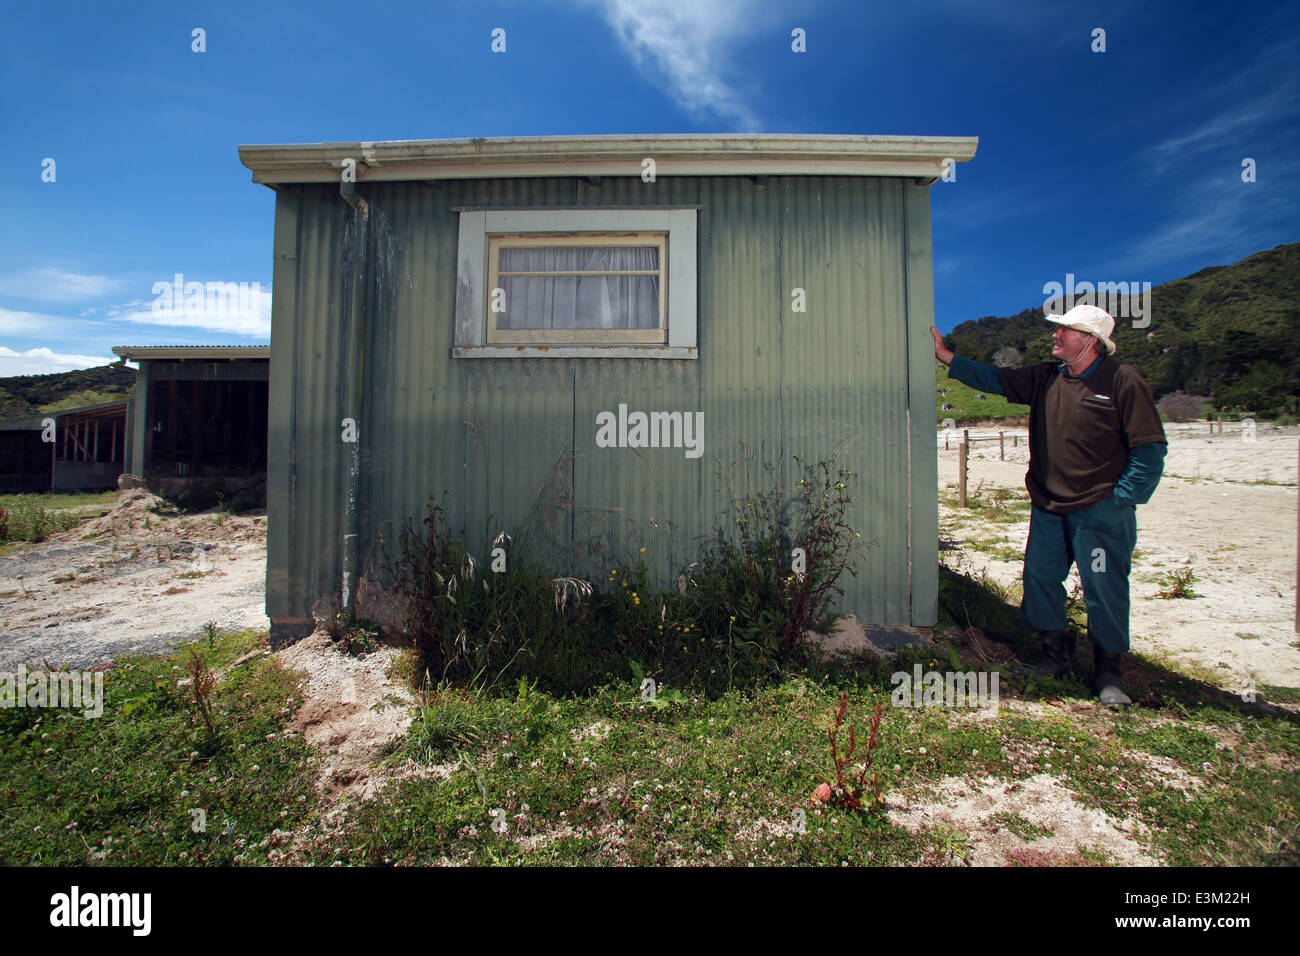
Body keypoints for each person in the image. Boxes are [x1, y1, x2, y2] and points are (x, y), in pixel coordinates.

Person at [931, 304, 1167, 707]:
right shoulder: (1045, 377)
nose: (1055, 336)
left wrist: (1121, 501)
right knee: (1039, 577)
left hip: (1100, 508)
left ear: (1090, 340)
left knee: (1104, 588)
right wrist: (946, 356)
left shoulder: (1121, 380)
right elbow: (996, 379)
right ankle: (1053, 656)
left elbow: (1149, 451)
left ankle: (1109, 672)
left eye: (1065, 331)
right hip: (1048, 505)